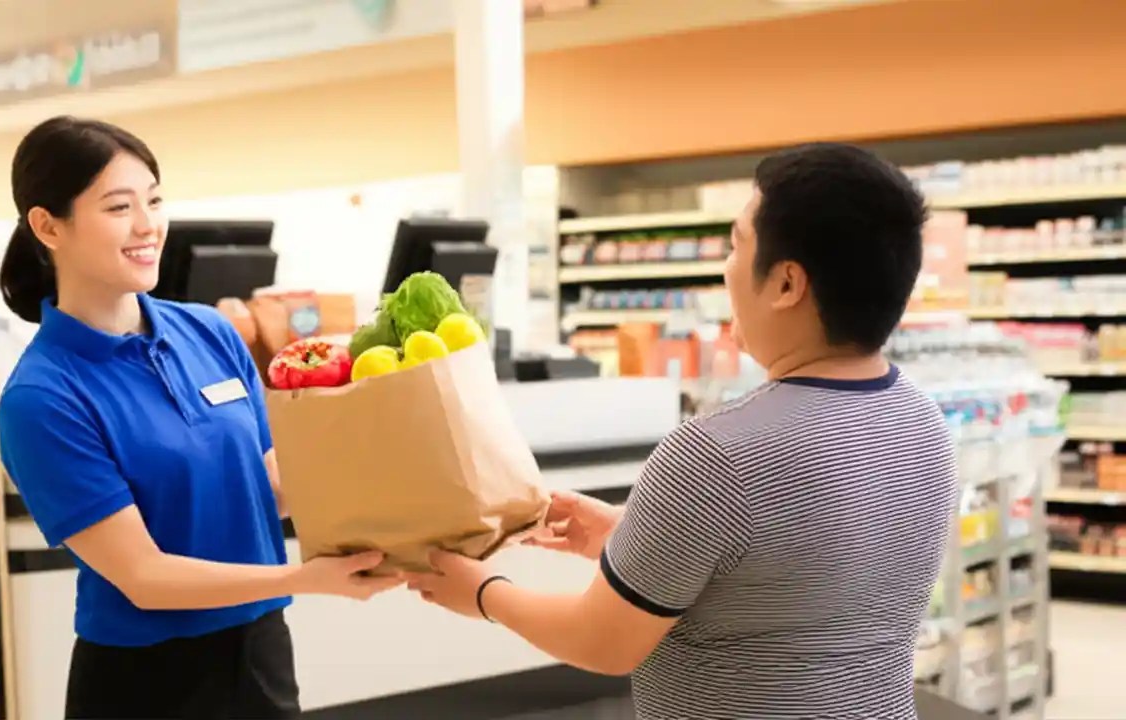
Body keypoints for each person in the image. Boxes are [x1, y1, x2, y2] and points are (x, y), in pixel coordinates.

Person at [406, 143, 958, 720]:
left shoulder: (716, 454)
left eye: (737, 244)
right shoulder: (920, 418)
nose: (726, 267)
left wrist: (481, 593)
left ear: (787, 284)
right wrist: (632, 536)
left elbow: (604, 641)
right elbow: (813, 571)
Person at [0, 116, 398, 720]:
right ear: (48, 226)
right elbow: (144, 576)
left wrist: (401, 477)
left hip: (260, 653)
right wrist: (304, 578)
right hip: (146, 682)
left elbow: (270, 488)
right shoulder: (42, 397)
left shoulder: (209, 332)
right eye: (118, 207)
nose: (147, 226)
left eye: (154, 200)